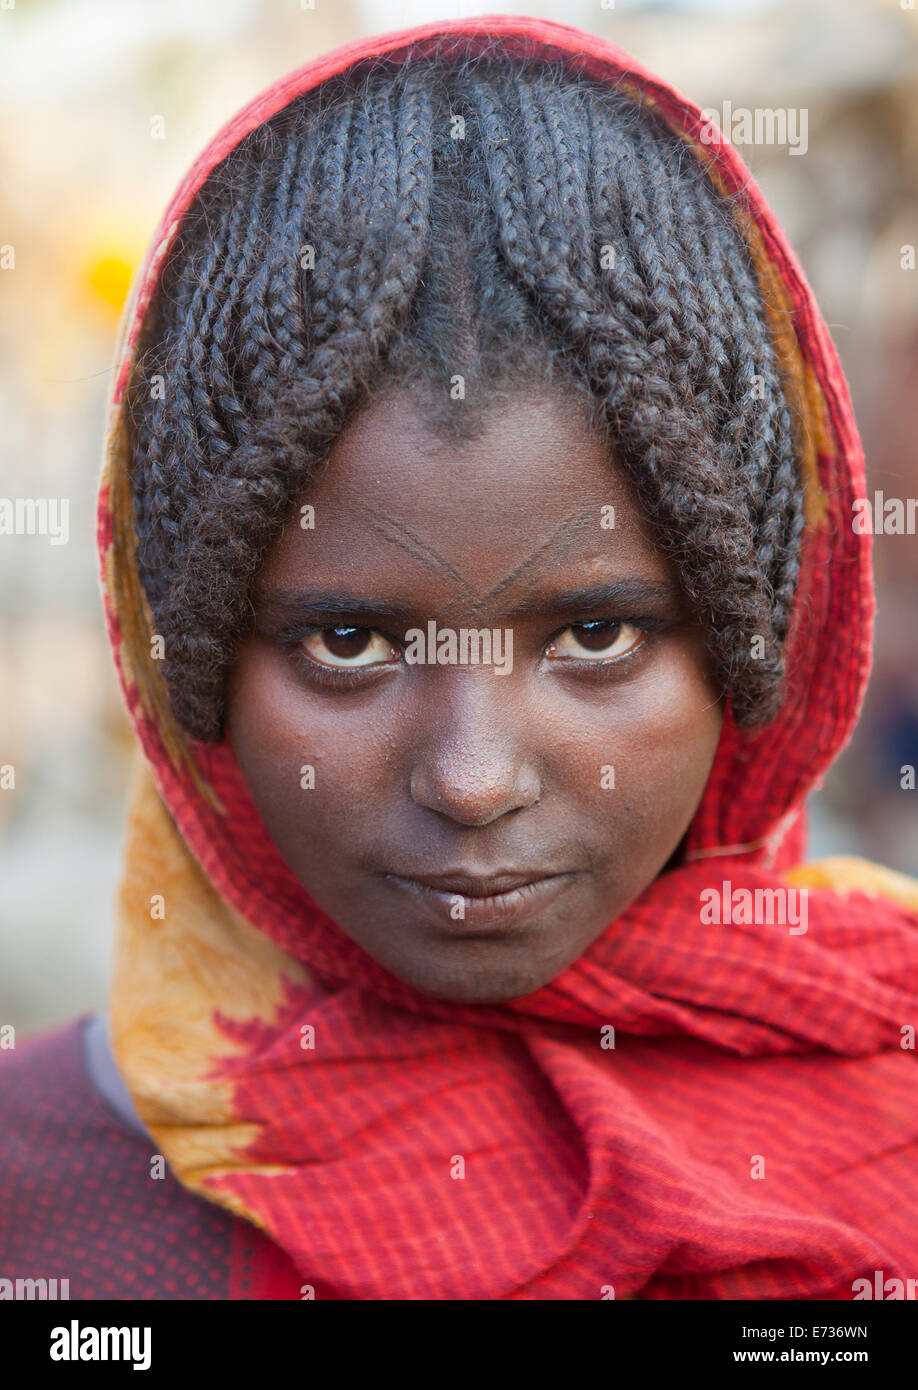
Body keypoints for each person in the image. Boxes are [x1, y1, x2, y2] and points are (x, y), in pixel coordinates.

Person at [3, 15, 918, 1302]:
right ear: (185, 667)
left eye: (597, 634)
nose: (475, 778)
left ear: (755, 639)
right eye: (349, 641)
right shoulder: (36, 1208)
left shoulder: (899, 1102)